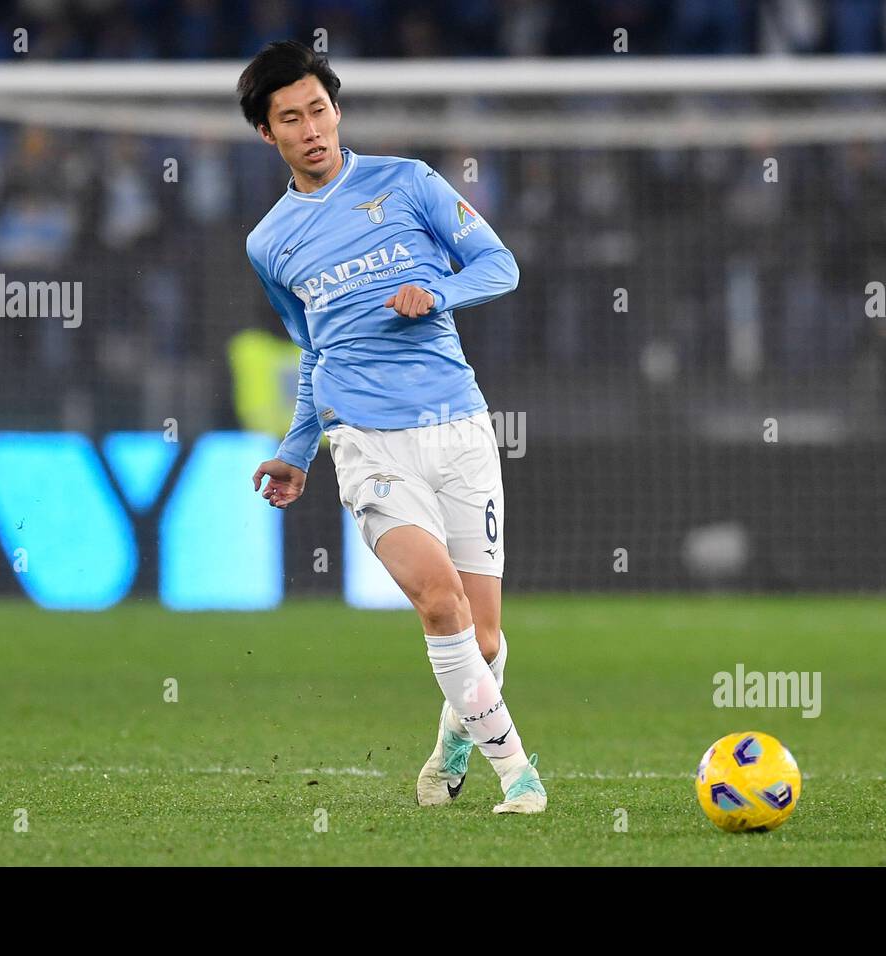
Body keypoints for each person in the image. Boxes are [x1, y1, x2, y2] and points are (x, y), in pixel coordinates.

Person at [238, 41, 545, 814]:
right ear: (267, 135)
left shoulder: (408, 182)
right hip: (366, 439)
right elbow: (314, 352)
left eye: (319, 109)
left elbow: (499, 266)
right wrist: (296, 450)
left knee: (481, 642)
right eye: (291, 119)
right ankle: (521, 775)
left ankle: (449, 751)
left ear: (336, 110)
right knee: (440, 603)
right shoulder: (270, 243)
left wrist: (433, 291)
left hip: (459, 427)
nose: (311, 128)